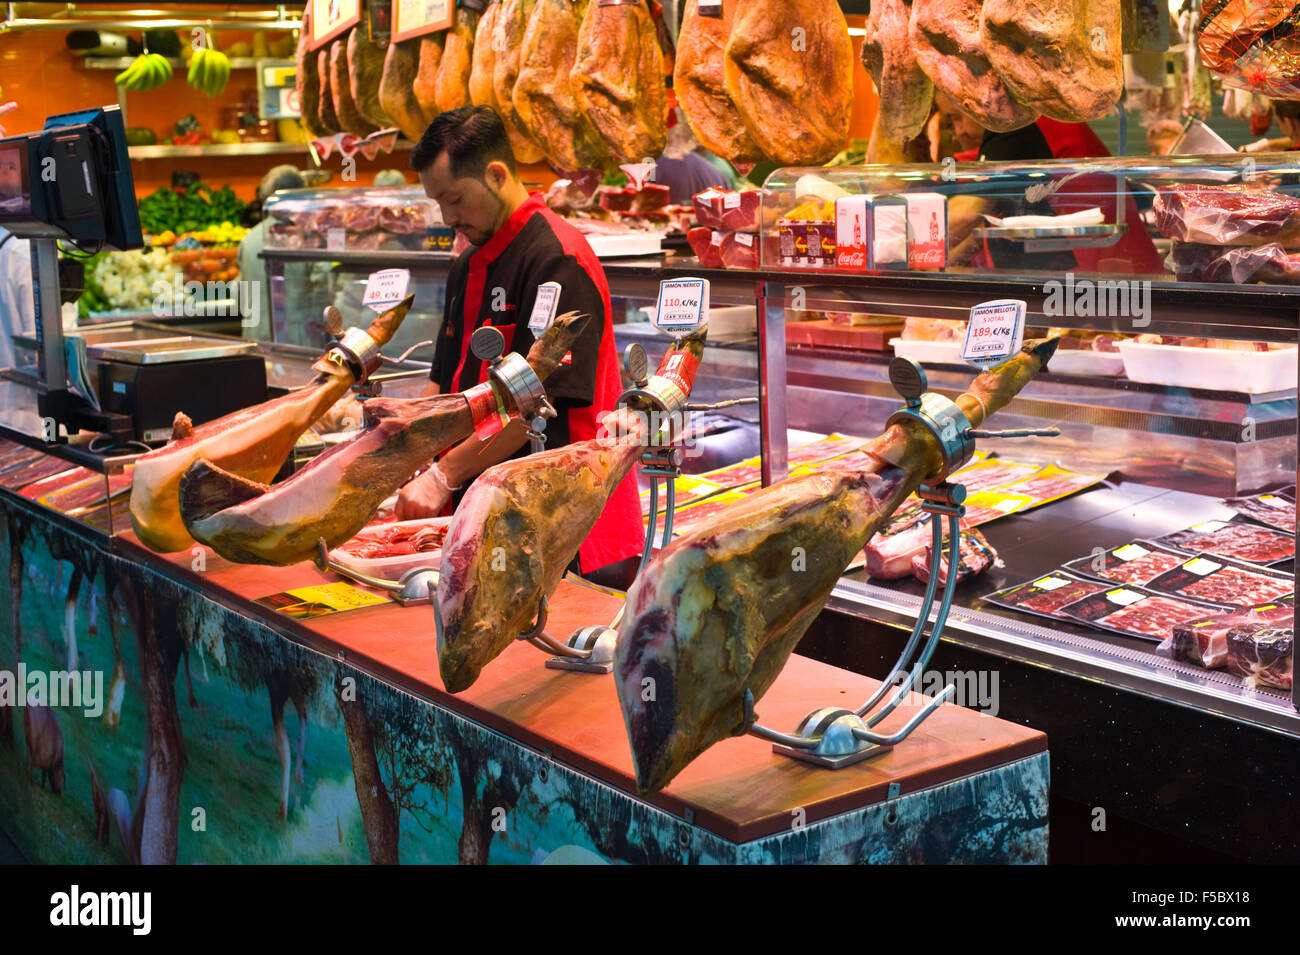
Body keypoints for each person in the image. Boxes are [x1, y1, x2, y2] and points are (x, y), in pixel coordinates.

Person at [397, 106, 644, 587]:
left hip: (557, 517)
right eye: (438, 204)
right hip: (479, 512)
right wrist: (401, 456)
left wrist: (442, 475)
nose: (449, 218)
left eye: (455, 200)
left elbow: (534, 409)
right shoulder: (467, 263)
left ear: (496, 174)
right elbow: (441, 383)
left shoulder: (557, 257)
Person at [236, 164, 306, 339]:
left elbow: (239, 291)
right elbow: (323, 290)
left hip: (256, 336)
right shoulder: (308, 238)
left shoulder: (249, 239)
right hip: (297, 339)